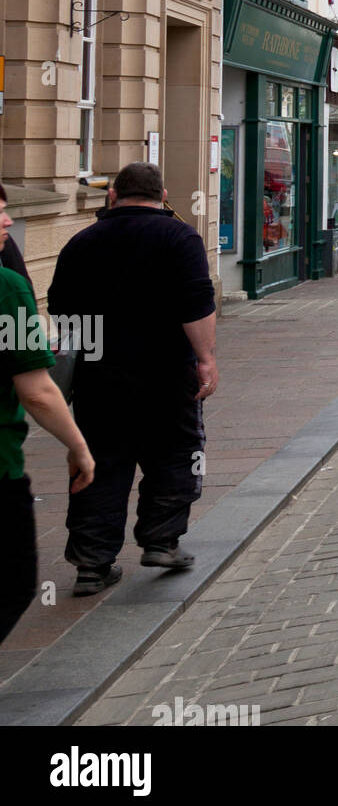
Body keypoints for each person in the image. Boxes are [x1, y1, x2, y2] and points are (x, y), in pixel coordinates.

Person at [47, 162, 216, 597]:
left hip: (100, 376)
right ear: (162, 196)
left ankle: (91, 563)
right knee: (175, 453)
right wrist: (206, 358)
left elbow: (62, 309)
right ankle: (161, 542)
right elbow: (196, 304)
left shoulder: (81, 242)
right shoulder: (180, 237)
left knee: (99, 462)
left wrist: (93, 350)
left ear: (113, 195)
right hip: (166, 373)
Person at [0, 184, 96, 643]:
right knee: (13, 582)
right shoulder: (7, 287)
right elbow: (37, 390)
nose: (7, 223)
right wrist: (78, 446)